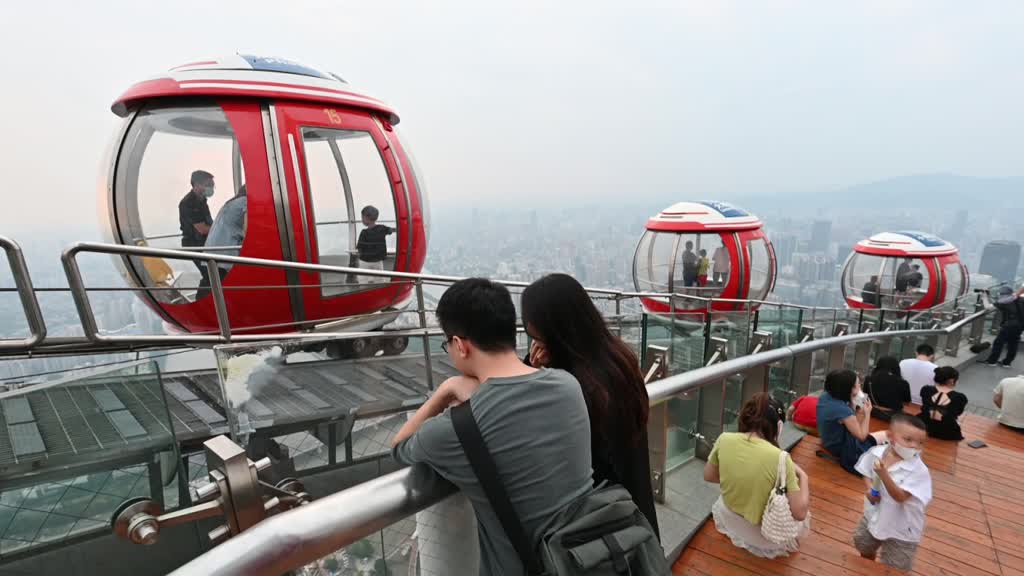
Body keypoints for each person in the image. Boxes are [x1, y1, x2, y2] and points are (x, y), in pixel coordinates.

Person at [390, 278, 594, 576]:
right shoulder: (568, 386)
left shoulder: (456, 430)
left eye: (448, 343)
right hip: (587, 558)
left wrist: (447, 390)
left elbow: (399, 447)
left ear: (460, 345)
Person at [520, 273, 659, 536]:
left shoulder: (574, 387)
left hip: (600, 524)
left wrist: (536, 371)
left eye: (535, 328)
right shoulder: (618, 358)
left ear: (555, 330)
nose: (532, 334)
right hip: (634, 506)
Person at [704, 393, 810, 558]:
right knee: (799, 501)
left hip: (729, 519)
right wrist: (804, 477)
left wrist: (739, 476)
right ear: (779, 426)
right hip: (764, 535)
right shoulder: (780, 458)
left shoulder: (724, 438)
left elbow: (709, 475)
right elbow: (799, 514)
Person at [853, 413, 932, 572]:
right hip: (874, 514)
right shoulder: (877, 452)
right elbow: (866, 472)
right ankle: (868, 567)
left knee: (896, 565)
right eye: (908, 439)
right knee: (864, 544)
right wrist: (869, 488)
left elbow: (900, 497)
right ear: (890, 436)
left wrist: (883, 474)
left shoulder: (918, 470)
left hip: (901, 528)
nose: (913, 446)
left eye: (920, 443)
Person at [817, 369, 889, 475]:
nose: (860, 386)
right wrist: (867, 413)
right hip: (841, 447)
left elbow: (853, 424)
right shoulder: (842, 410)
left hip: (828, 440)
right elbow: (861, 436)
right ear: (849, 389)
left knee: (886, 435)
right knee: (887, 437)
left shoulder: (826, 397)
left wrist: (856, 408)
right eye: (858, 384)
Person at [179, 170, 215, 296]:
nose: (211, 187)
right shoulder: (188, 203)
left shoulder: (202, 200)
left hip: (203, 242)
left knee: (213, 273)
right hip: (194, 244)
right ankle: (202, 301)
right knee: (209, 275)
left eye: (212, 184)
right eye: (208, 184)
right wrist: (219, 229)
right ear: (197, 185)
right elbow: (202, 229)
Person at [204, 184, 248, 286]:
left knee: (212, 283)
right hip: (224, 251)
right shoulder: (245, 201)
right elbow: (247, 229)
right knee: (221, 284)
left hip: (213, 249)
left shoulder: (232, 202)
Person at [919, 366, 967, 441]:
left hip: (923, 426)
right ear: (952, 380)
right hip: (947, 432)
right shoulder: (959, 397)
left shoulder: (926, 389)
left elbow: (926, 406)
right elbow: (957, 413)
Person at [981, 286, 1024, 367]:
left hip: (1008, 326)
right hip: (1020, 326)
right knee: (1013, 344)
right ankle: (1007, 362)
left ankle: (992, 361)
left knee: (998, 343)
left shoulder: (1004, 301)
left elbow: (988, 307)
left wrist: (984, 297)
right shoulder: (1020, 299)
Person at [863, 356, 911, 421]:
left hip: (872, 412)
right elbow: (907, 402)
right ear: (896, 367)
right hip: (893, 417)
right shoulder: (903, 383)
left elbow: (865, 395)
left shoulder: (869, 379)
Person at [356, 205, 393, 284]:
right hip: (377, 260)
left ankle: (364, 287)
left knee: (363, 279)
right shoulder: (382, 228)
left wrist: (359, 255)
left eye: (362, 218)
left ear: (366, 218)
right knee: (379, 279)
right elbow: (390, 230)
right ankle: (378, 287)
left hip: (365, 261)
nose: (362, 220)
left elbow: (359, 247)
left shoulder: (364, 233)